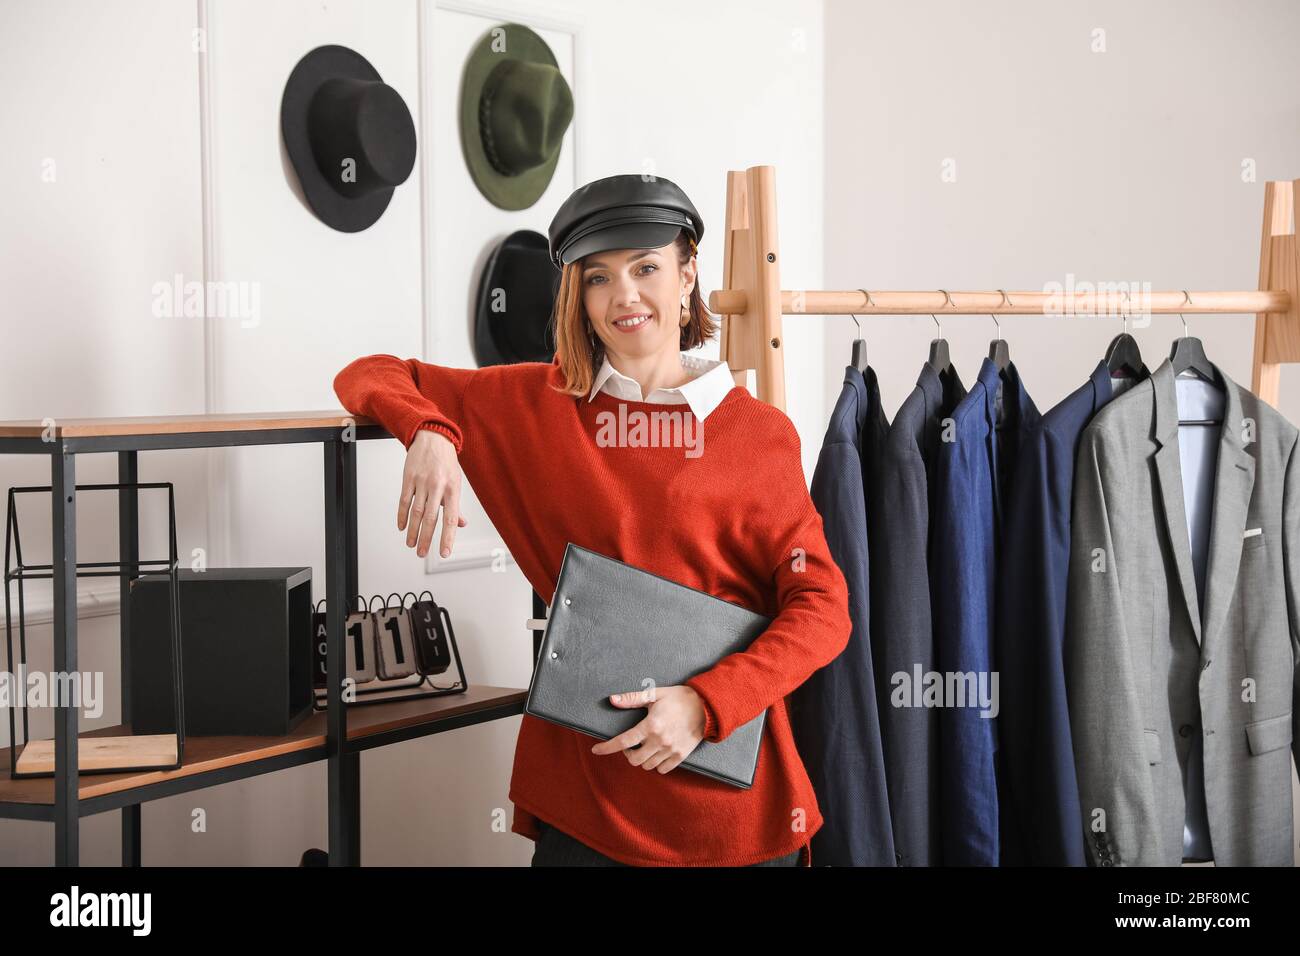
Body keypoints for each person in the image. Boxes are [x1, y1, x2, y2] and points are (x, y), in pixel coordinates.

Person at [333, 174, 851, 867]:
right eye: (599, 277)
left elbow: (823, 607)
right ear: (578, 295)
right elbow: (371, 372)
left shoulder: (759, 435)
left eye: (645, 268)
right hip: (586, 807)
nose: (624, 296)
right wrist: (429, 428)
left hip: (729, 814)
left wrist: (705, 704)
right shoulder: (538, 403)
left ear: (688, 274)